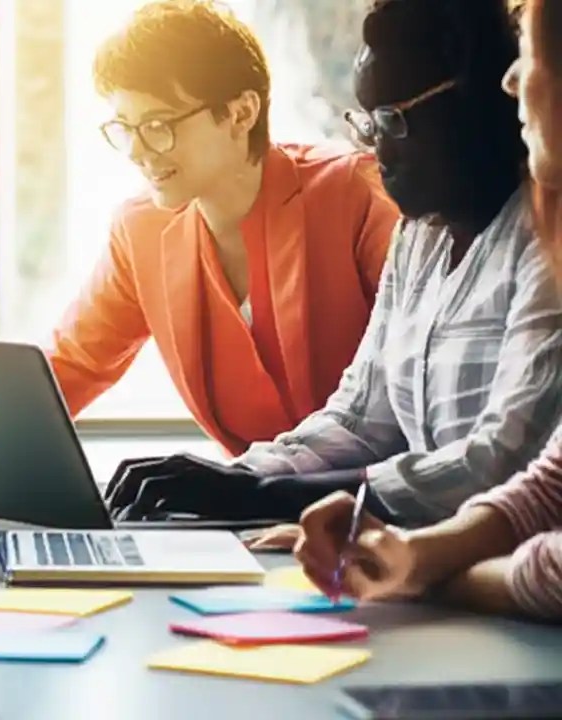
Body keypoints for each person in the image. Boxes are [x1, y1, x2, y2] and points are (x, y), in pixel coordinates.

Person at [105, 0, 562, 536]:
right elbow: (358, 419)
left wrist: (262, 493)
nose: (375, 149)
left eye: (392, 120)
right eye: (367, 122)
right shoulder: (418, 243)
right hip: (428, 574)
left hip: (507, 583)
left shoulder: (543, 243)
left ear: (477, 101)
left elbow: (499, 465)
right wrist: (226, 478)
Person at [296, 0, 562, 622]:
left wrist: (428, 572)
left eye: (534, 56)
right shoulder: (416, 238)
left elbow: (549, 557)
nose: (512, 80)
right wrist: (412, 553)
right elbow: (552, 484)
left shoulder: (537, 239)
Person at [47, 0, 399, 457]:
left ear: (240, 113)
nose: (137, 151)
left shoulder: (354, 194)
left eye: (157, 125)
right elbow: (69, 366)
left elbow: (421, 371)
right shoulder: (142, 231)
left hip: (373, 508)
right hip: (240, 513)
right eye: (124, 127)